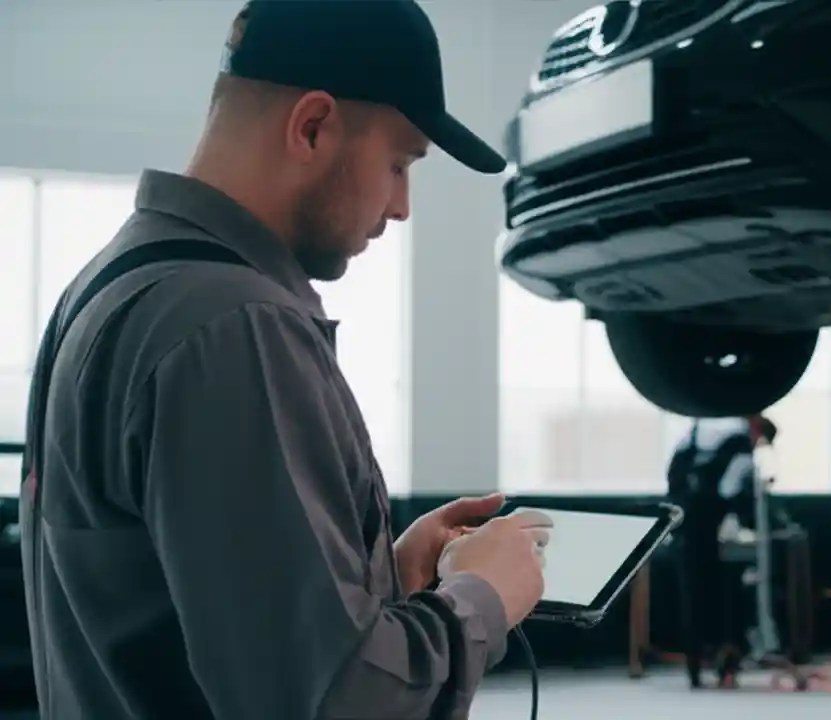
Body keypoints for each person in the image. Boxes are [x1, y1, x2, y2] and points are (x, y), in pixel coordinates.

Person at [18, 2, 545, 718]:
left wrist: (383, 576)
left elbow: (177, 614)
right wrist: (483, 597)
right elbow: (335, 703)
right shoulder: (236, 326)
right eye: (399, 163)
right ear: (313, 126)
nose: (401, 206)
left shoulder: (108, 289)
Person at [665, 415, 776, 689]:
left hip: (682, 520)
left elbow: (674, 474)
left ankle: (694, 664)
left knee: (691, 595)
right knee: (721, 597)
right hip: (709, 524)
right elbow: (728, 488)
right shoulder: (740, 443)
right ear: (757, 429)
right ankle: (724, 659)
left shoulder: (699, 431)